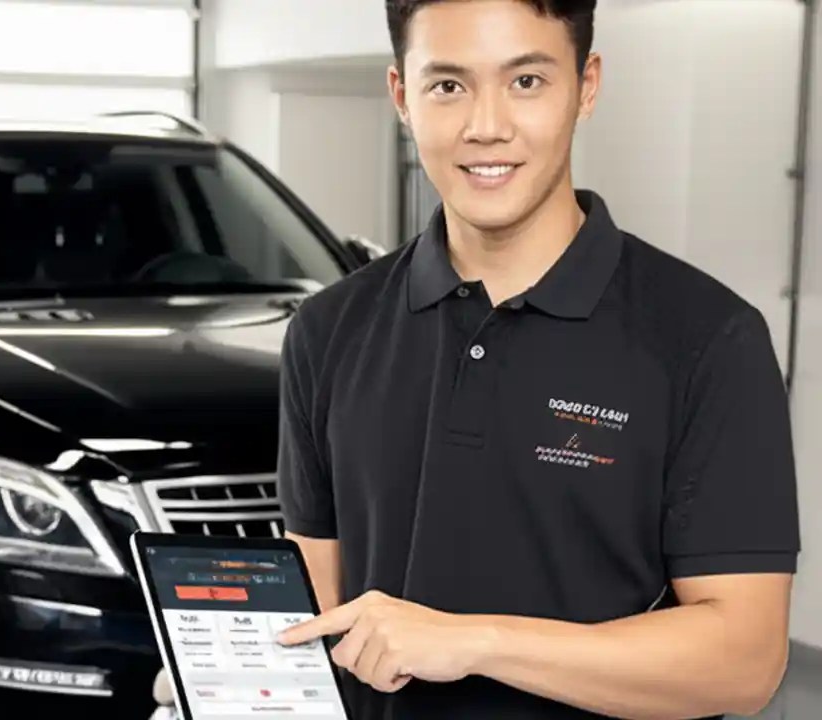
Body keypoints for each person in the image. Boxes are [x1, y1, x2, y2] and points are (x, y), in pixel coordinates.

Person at [258, 0, 802, 718]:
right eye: (447, 85)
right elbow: (318, 608)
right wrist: (230, 679)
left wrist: (475, 643)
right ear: (402, 96)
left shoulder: (708, 339)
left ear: (586, 85)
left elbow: (745, 660)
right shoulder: (328, 329)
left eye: (526, 82)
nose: (486, 125)